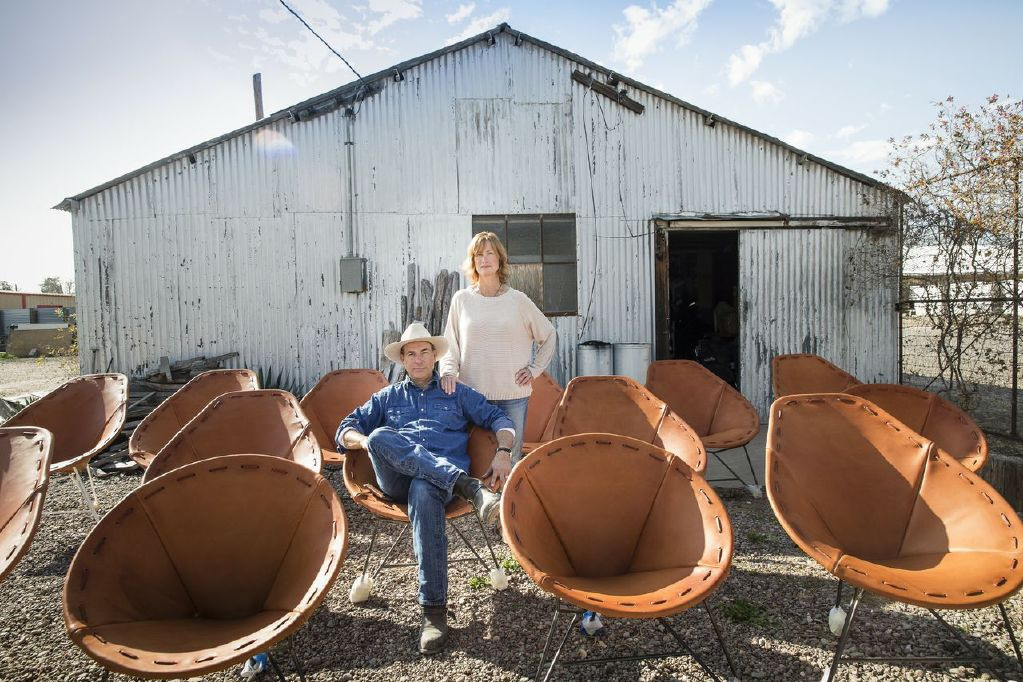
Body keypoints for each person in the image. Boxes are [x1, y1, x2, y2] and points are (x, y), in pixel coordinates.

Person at [335, 321, 515, 656]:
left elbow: (500, 420)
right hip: (395, 482)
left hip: (432, 490)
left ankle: (433, 614)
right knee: (378, 436)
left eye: (424, 352)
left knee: (424, 488)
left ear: (435, 356)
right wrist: (369, 445)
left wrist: (504, 452)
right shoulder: (387, 397)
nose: (418, 360)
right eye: (411, 354)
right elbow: (345, 429)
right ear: (402, 360)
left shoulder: (455, 391)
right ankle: (470, 488)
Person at [439, 231, 556, 463]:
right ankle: (477, 501)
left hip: (512, 396)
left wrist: (534, 370)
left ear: (499, 259)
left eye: (489, 253)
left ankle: (506, 501)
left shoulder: (518, 301)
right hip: (472, 397)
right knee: (473, 459)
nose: (484, 259)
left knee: (509, 461)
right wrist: (448, 371)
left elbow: (549, 335)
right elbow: (450, 342)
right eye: (478, 255)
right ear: (472, 262)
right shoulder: (461, 300)